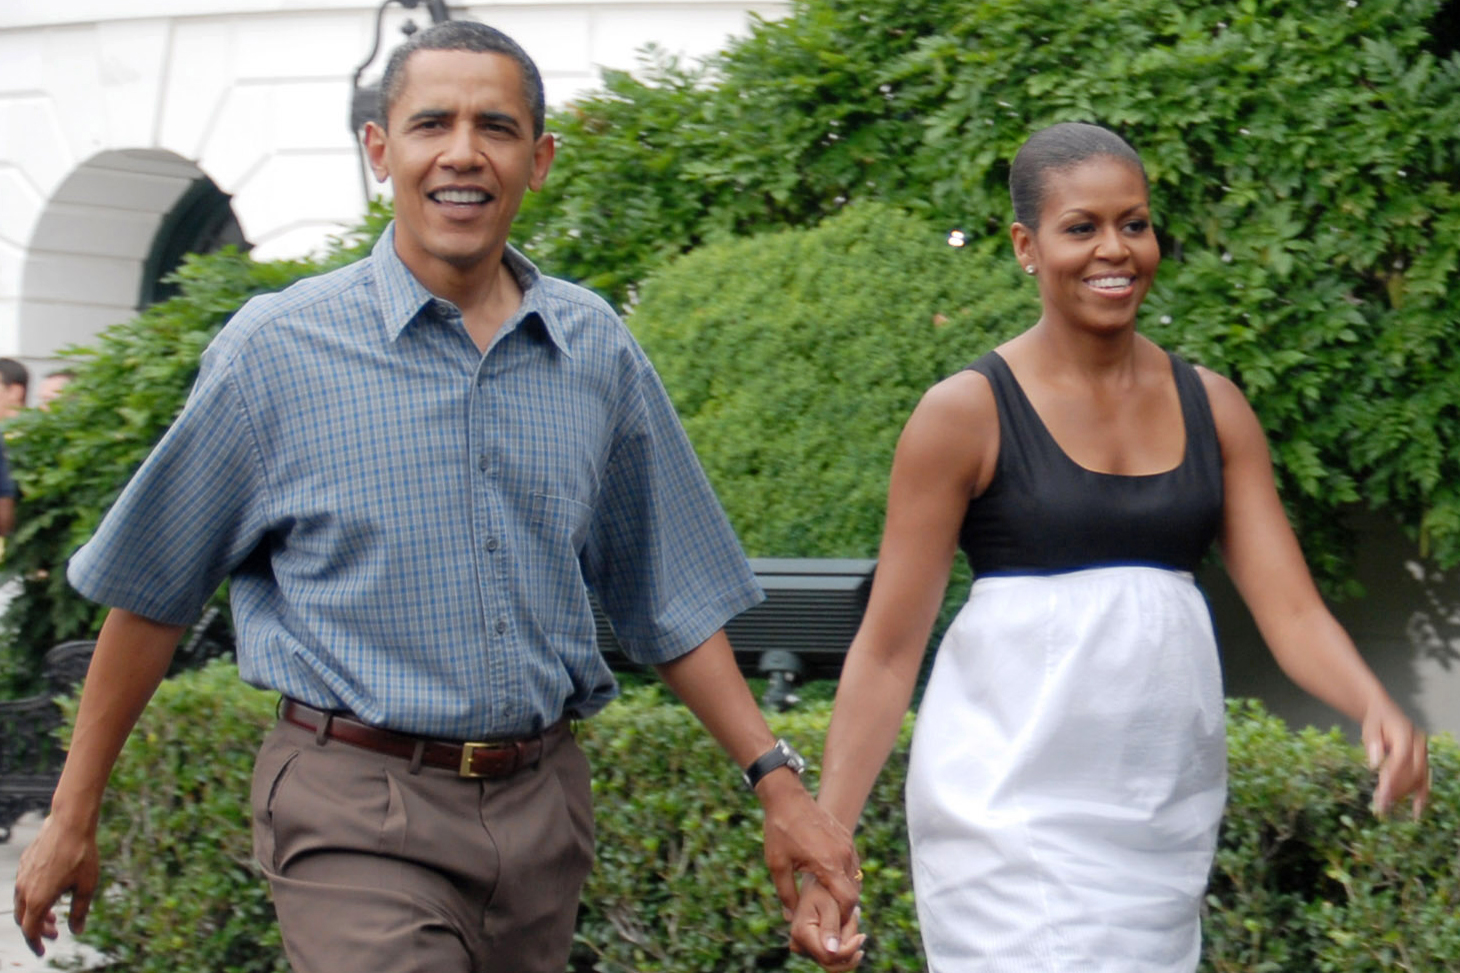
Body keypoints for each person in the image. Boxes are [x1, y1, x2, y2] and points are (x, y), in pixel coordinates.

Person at [13, 20, 859, 973]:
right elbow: (153, 591)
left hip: (542, 813)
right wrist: (71, 812)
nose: (463, 153)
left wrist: (779, 785)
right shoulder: (276, 352)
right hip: (352, 805)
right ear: (381, 150)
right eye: (431, 125)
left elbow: (668, 598)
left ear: (538, 159)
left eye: (495, 127)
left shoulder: (595, 350)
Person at [788, 122, 1429, 973]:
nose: (1116, 249)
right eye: (1081, 226)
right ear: (1027, 244)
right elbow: (889, 647)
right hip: (1003, 820)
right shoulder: (965, 413)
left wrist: (1373, 703)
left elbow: (1293, 609)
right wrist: (831, 842)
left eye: (1135, 222)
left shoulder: (1215, 408)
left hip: (1157, 828)